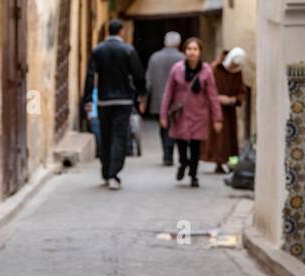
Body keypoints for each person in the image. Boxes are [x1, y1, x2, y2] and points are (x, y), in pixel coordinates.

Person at [82, 19, 145, 190]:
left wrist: (88, 99)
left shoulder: (98, 50)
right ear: (121, 31)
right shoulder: (128, 50)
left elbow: (89, 76)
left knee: (106, 135)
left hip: (103, 101)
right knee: (119, 136)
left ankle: (106, 172)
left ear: (107, 31)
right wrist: (141, 94)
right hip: (123, 101)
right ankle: (113, 174)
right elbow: (138, 75)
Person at [160, 37, 222, 188]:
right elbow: (168, 92)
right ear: (184, 51)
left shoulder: (206, 70)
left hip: (199, 114)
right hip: (180, 114)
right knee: (181, 144)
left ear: (200, 52)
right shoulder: (177, 69)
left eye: (195, 49)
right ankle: (183, 164)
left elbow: (212, 95)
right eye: (189, 49)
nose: (192, 52)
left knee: (195, 147)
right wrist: (163, 114)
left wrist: (217, 118)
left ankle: (193, 175)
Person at [202, 47, 249, 173]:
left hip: (229, 110)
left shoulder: (237, 72)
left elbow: (241, 91)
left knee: (231, 139)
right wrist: (216, 98)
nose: (233, 67)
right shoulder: (215, 69)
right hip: (215, 108)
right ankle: (218, 162)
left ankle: (232, 163)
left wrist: (232, 99)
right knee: (218, 137)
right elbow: (205, 88)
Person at [145, 31, 185, 166]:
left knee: (164, 128)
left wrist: (145, 98)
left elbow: (148, 80)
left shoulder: (154, 58)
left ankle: (167, 154)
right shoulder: (183, 58)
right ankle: (177, 155)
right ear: (178, 43)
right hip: (178, 101)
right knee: (177, 126)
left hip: (158, 100)